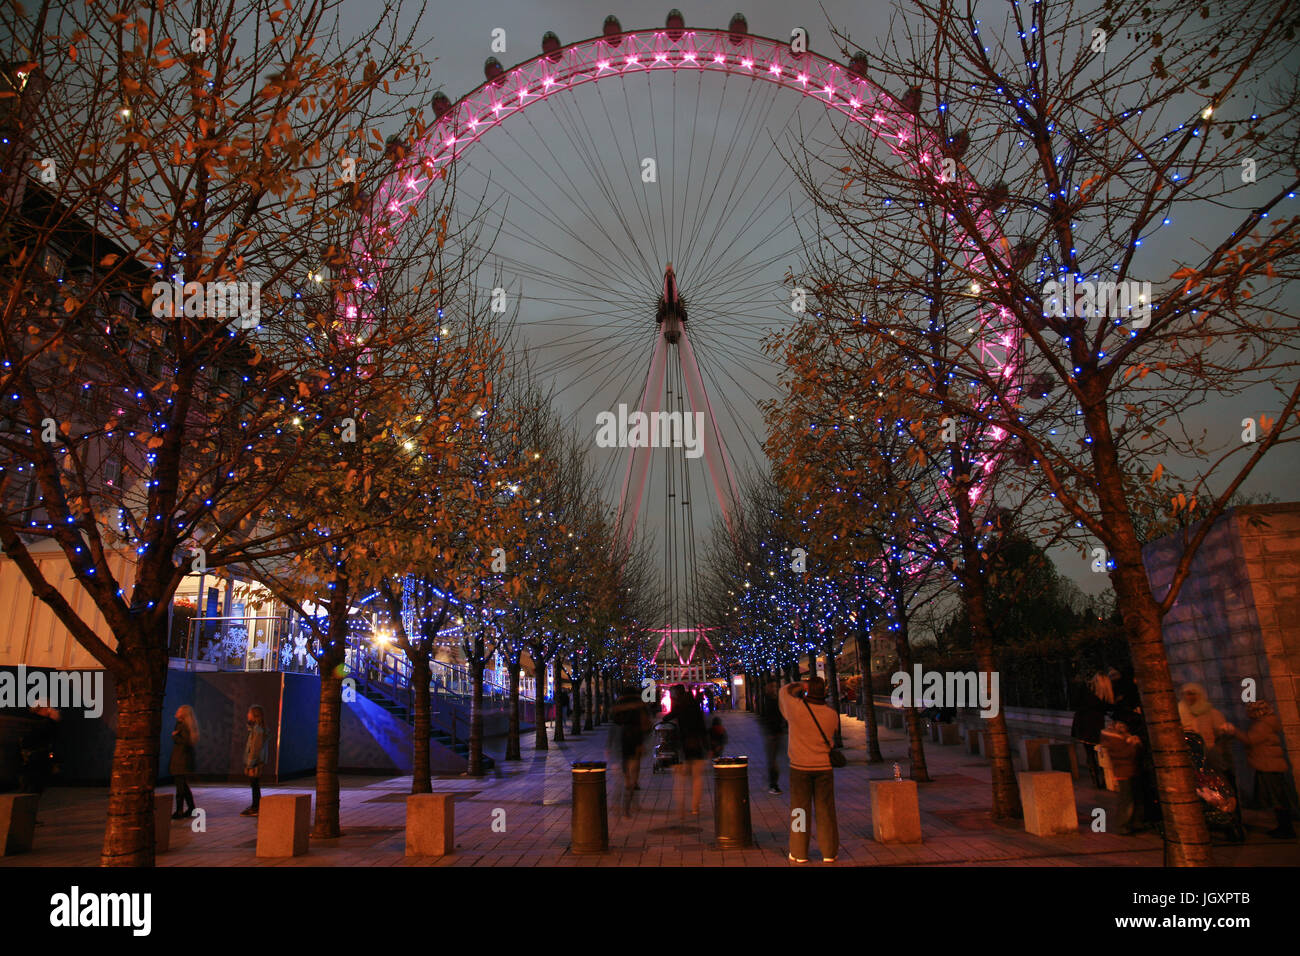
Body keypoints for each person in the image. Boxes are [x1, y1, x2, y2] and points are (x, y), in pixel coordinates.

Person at [779, 677, 840, 863]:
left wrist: (798, 684)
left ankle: (799, 852)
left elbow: (783, 692)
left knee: (799, 811)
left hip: (799, 767)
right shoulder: (832, 714)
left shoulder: (796, 708)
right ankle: (829, 852)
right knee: (826, 811)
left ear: (807, 690)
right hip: (824, 768)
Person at [1231, 701, 1298, 839]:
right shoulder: (1268, 722)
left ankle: (1286, 829)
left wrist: (1234, 731)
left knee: (1276, 798)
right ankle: (1285, 827)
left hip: (1268, 765)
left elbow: (1250, 739)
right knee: (1278, 797)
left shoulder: (1263, 725)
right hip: (1270, 764)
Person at [667, 684, 707, 818]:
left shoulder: (679, 705)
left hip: (683, 745)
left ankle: (681, 810)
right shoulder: (695, 705)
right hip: (696, 745)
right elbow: (702, 726)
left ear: (677, 694)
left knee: (680, 780)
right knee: (697, 778)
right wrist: (707, 746)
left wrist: (664, 719)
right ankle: (695, 808)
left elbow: (669, 717)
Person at [1098, 718, 1144, 834]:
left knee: (1129, 798)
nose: (1123, 727)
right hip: (1124, 772)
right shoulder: (1115, 739)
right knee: (1126, 799)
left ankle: (1130, 823)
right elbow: (1126, 754)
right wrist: (1133, 743)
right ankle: (1122, 825)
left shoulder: (1117, 737)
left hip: (1126, 770)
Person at [611, 684, 651, 815]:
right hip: (637, 737)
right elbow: (647, 724)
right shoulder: (640, 703)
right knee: (635, 763)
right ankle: (633, 786)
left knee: (626, 759)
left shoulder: (620, 701)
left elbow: (614, 719)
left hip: (624, 736)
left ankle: (628, 779)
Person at [1178, 683, 1235, 775]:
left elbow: (1222, 733)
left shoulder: (1211, 713)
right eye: (1187, 694)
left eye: (1192, 694)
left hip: (1210, 754)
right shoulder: (1178, 713)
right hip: (1189, 756)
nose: (1189, 697)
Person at [1071, 672, 1111, 788]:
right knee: (1098, 753)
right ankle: (1101, 779)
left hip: (1084, 726)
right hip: (1096, 726)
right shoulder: (1104, 695)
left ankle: (1096, 781)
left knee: (1090, 754)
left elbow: (1075, 703)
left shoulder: (1086, 693)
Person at [18, 701, 60, 807]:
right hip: (35, 761)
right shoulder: (39, 722)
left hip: (34, 760)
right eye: (48, 707)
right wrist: (53, 720)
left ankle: (27, 816)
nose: (50, 709)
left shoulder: (36, 721)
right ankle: (25, 816)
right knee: (33, 789)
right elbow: (44, 735)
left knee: (33, 789)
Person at [169, 705, 200, 819]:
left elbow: (186, 741)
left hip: (181, 759)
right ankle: (191, 808)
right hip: (181, 758)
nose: (176, 711)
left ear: (183, 714)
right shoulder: (181, 725)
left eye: (179, 710)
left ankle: (179, 811)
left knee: (180, 787)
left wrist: (175, 736)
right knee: (183, 786)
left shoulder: (184, 726)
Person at [241, 705, 268, 816]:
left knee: (255, 784)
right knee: (254, 784)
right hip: (255, 761)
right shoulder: (255, 729)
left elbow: (255, 749)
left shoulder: (257, 731)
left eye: (249, 713)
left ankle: (256, 806)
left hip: (255, 762)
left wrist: (249, 764)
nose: (247, 715)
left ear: (254, 715)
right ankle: (256, 805)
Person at [761, 680, 787, 794]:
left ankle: (773, 785)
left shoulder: (771, 700)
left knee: (773, 760)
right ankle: (772, 783)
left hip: (774, 734)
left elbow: (773, 718)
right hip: (774, 733)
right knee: (773, 760)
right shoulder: (771, 700)